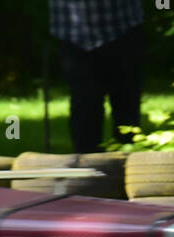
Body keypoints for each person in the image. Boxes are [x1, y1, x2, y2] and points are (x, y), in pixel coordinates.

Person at [49, 0, 146, 153]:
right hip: (73, 34)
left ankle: (129, 163)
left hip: (122, 26)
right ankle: (87, 166)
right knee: (84, 106)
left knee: (127, 103)